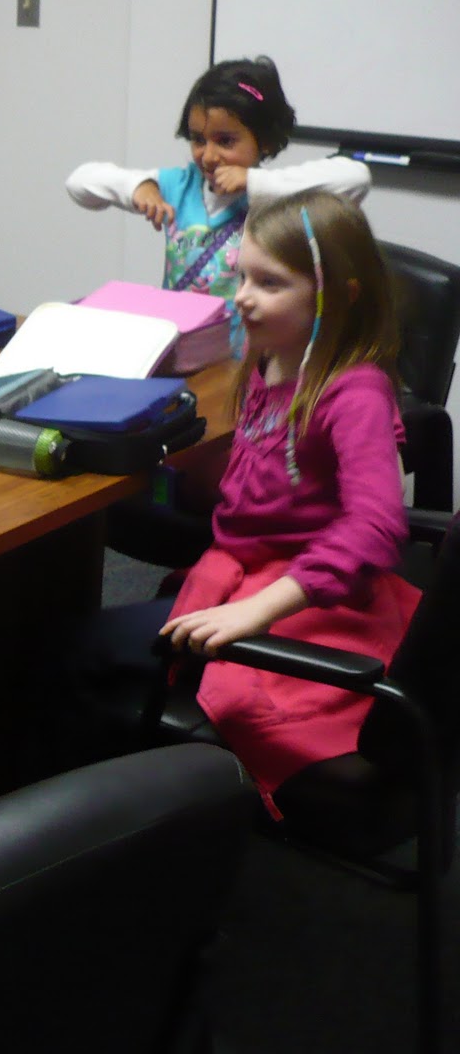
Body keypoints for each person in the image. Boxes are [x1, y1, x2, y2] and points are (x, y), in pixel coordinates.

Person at [61, 192, 418, 816]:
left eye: (270, 283)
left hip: (301, 593)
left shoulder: (353, 392)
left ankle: (96, 824)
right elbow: (266, 476)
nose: (243, 296)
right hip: (242, 560)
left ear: (341, 295)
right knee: (122, 522)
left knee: (81, 650)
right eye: (243, 276)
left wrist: (258, 611)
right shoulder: (271, 358)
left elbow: (376, 527)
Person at [65, 56, 370, 355]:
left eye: (225, 141)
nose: (208, 156)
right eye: (198, 139)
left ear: (263, 141)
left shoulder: (274, 200)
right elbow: (79, 183)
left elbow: (357, 178)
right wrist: (137, 187)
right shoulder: (178, 187)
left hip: (244, 360)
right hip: (178, 351)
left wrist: (253, 183)